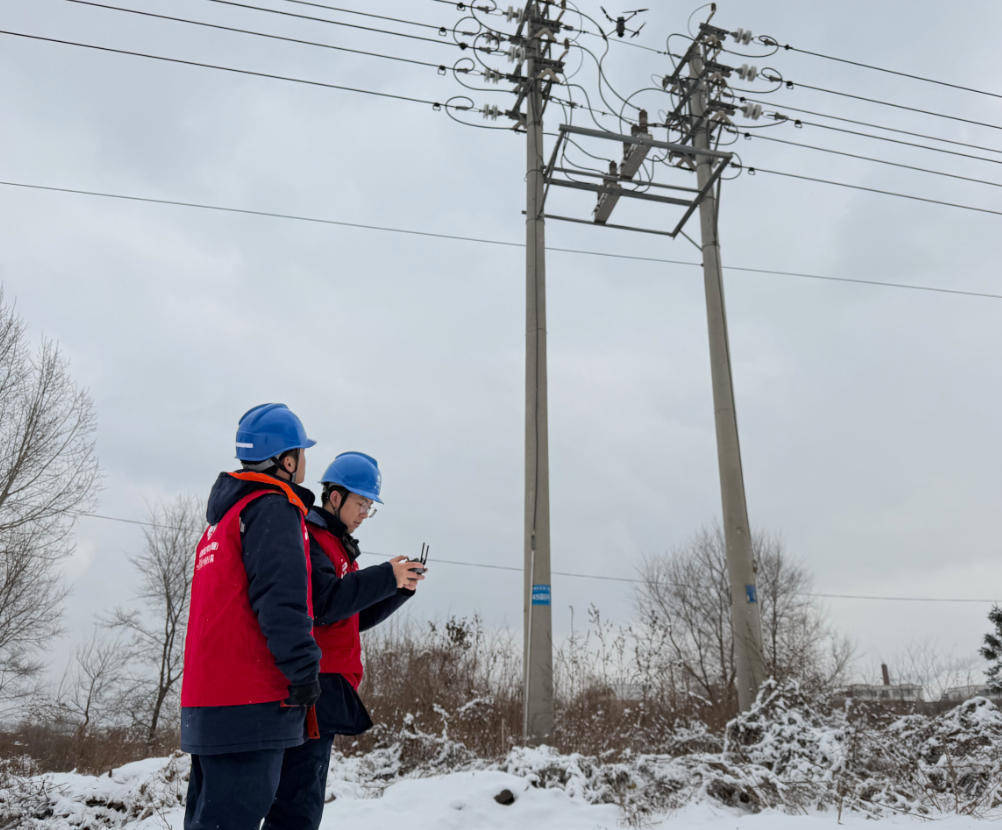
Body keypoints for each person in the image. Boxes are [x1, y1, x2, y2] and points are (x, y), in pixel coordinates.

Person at [263, 451, 425, 830]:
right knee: (297, 804)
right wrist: (386, 575)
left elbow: (351, 618)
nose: (365, 513)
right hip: (312, 685)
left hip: (330, 688)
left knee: (304, 799)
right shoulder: (313, 539)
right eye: (361, 502)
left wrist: (398, 589)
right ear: (334, 497)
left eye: (370, 505)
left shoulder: (339, 546)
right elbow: (326, 603)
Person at [181, 403, 323, 830]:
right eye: (301, 452)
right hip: (250, 703)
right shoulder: (272, 508)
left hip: (209, 705)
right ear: (286, 459)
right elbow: (281, 601)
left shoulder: (222, 520)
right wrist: (303, 671)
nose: (304, 461)